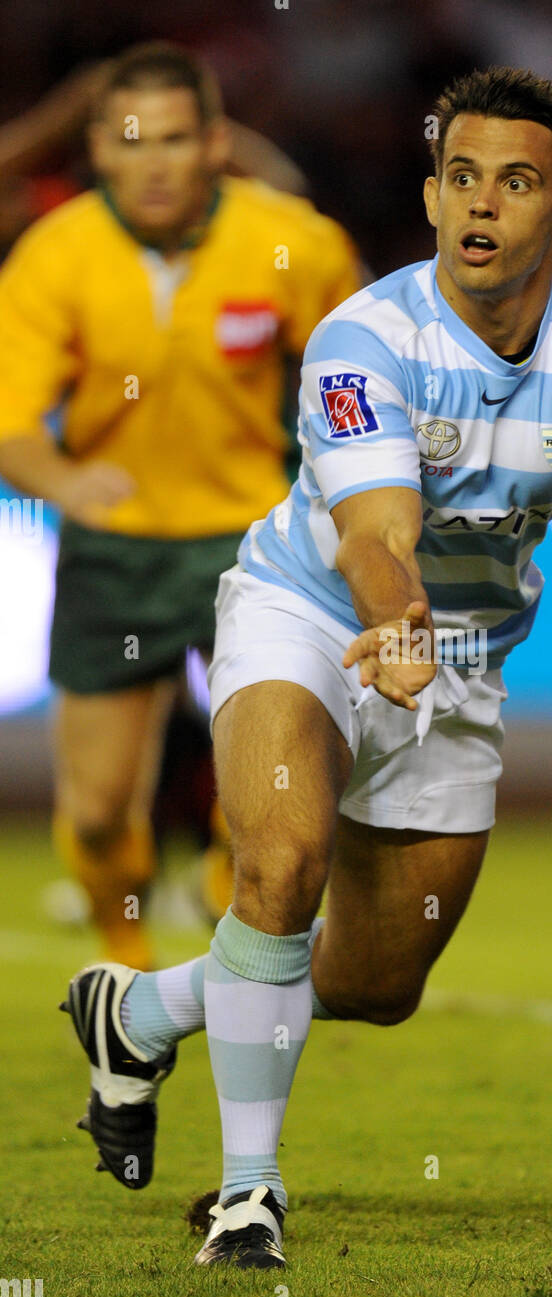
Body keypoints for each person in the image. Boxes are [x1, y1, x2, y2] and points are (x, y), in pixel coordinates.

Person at [61, 65, 552, 1268]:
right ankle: (248, 1196)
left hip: (462, 663)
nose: (480, 204)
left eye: (515, 181)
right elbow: (372, 535)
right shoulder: (362, 338)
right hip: (309, 616)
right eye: (459, 178)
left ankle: (138, 1011)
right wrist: (390, 624)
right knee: (275, 871)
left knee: (374, 982)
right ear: (434, 197)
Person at [0, 42, 361, 970]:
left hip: (255, 542)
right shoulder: (55, 255)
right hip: (114, 548)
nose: (153, 161)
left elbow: (365, 363)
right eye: (132, 140)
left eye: (174, 139)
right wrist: (67, 481)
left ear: (215, 146)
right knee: (94, 807)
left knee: (272, 775)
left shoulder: (291, 242)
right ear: (97, 149)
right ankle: (128, 969)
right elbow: (11, 427)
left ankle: (223, 871)